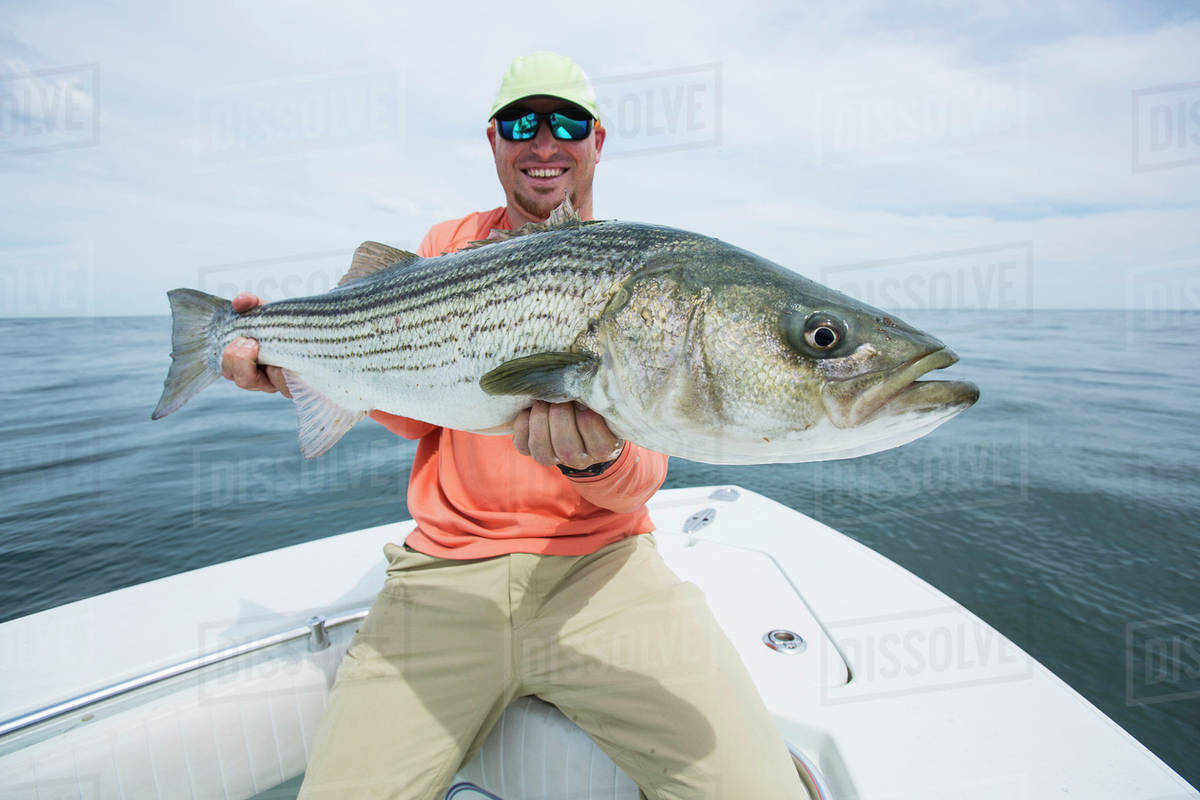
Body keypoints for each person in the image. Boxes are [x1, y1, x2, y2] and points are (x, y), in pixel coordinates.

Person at [221, 52, 804, 800]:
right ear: (493, 141)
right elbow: (412, 413)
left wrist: (595, 465)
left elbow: (639, 481)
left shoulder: (651, 271)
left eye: (566, 122)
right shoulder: (447, 244)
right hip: (444, 580)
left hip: (604, 574)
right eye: (521, 123)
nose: (544, 142)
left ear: (599, 140)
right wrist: (302, 368)